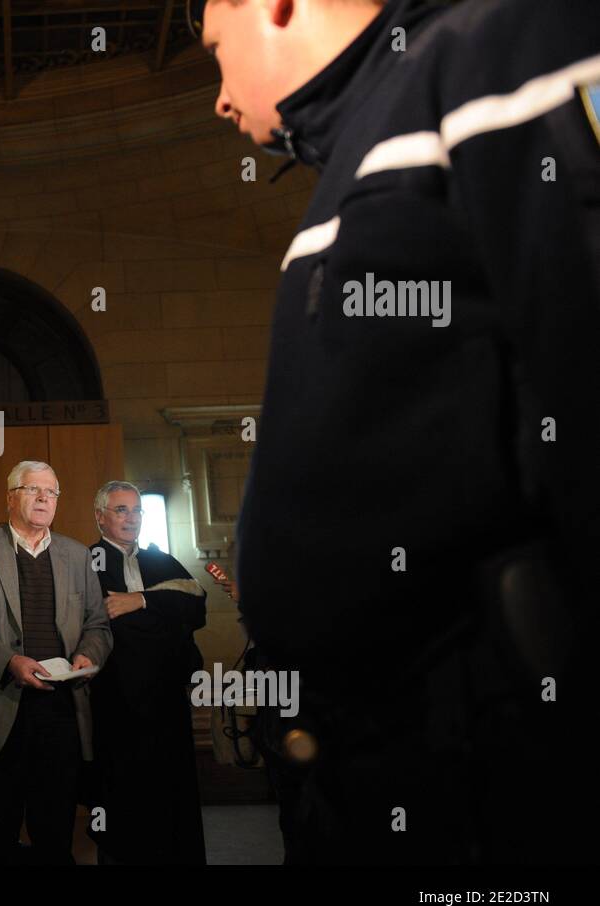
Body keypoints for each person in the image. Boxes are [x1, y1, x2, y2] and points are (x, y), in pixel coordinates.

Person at [189, 0, 599, 862]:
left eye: (217, 52)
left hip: (503, 758)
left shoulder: (496, 50)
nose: (219, 99)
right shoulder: (362, 143)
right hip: (389, 759)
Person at [0, 461, 112, 864]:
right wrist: (9, 662)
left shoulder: (77, 554)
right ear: (10, 497)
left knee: (54, 832)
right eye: (33, 489)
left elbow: (98, 624)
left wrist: (89, 654)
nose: (43, 498)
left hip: (60, 711)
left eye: (51, 492)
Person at [87, 481, 207, 865]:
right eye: (121, 510)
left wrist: (140, 600)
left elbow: (198, 610)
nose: (131, 518)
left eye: (137, 510)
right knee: (121, 804)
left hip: (167, 702)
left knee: (173, 800)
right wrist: (165, 615)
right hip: (114, 701)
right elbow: (107, 623)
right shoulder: (85, 561)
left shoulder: (162, 559)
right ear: (100, 516)